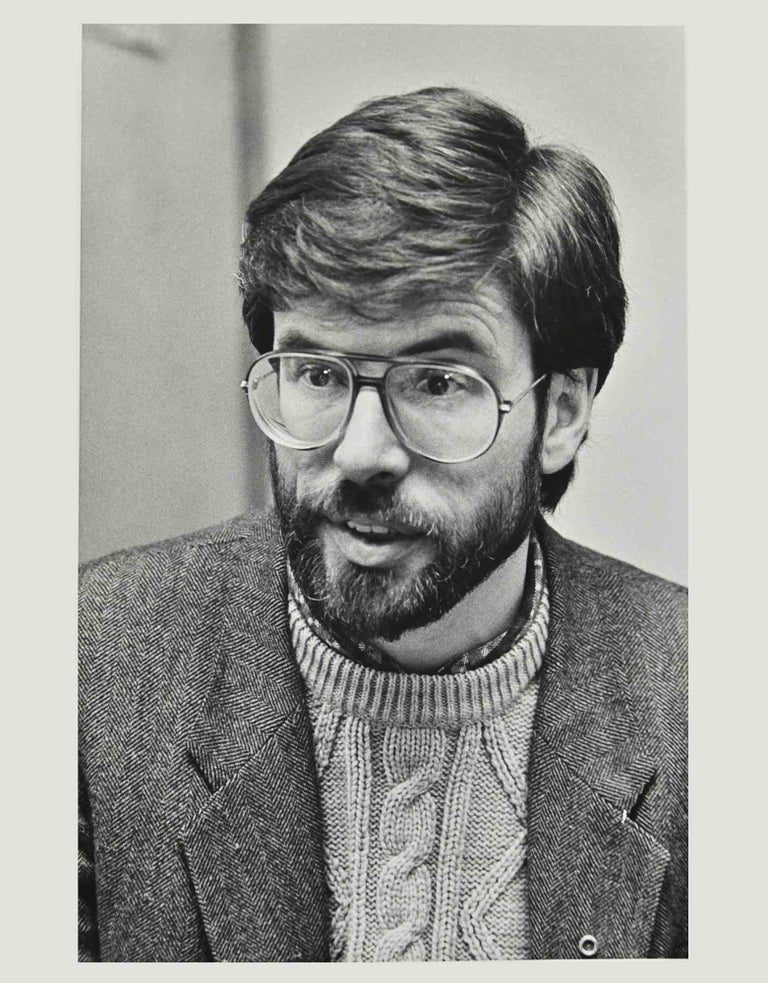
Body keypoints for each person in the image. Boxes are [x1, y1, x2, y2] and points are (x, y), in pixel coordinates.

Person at [78, 87, 687, 962]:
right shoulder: (91, 667)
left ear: (560, 411)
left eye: (438, 381)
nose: (361, 453)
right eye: (315, 372)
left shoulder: (704, 701)